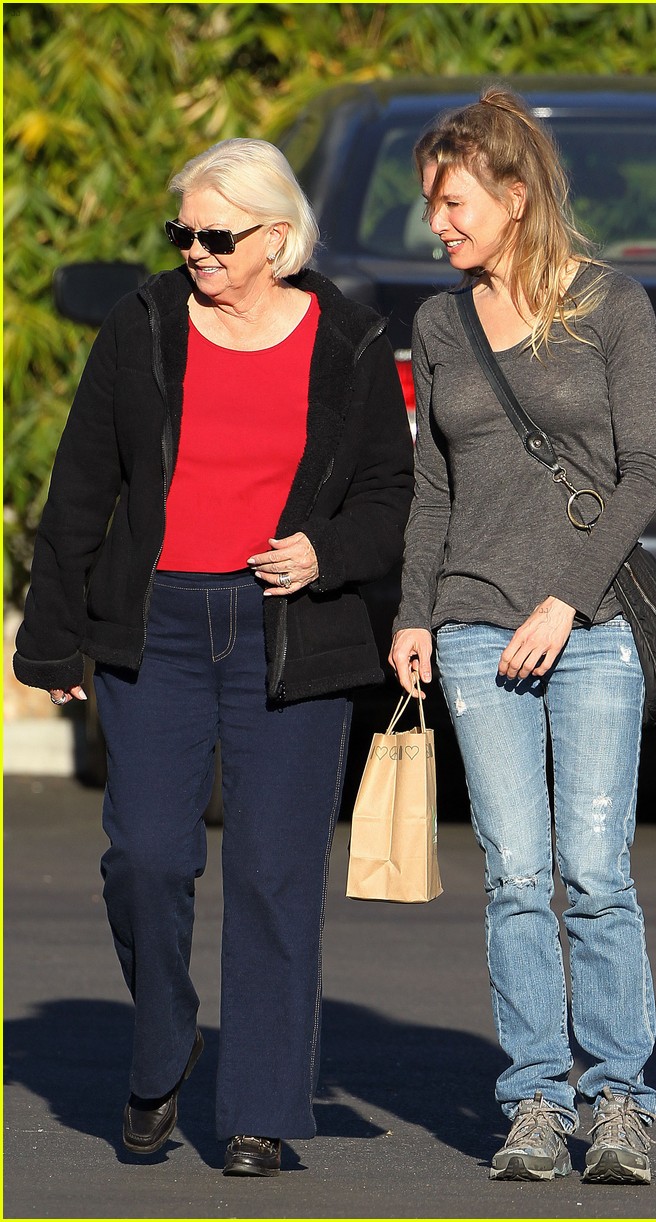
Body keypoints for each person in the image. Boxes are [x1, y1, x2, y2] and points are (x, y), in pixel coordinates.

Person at [13, 138, 414, 1176]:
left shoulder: (352, 340)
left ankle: (260, 1113)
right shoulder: (142, 326)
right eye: (180, 232)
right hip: (158, 630)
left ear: (277, 239)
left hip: (293, 627)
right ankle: (162, 1047)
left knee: (276, 876)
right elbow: (81, 485)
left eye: (216, 235)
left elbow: (390, 497)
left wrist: (328, 551)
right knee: (146, 858)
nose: (193, 250)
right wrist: (48, 633)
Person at [389, 87, 656, 1184]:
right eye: (431, 205)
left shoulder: (609, 304)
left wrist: (564, 596)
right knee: (515, 875)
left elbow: (645, 469)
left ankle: (617, 1099)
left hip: (589, 623)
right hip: (468, 622)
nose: (437, 224)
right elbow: (431, 483)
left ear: (514, 194)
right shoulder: (438, 321)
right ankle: (536, 1101)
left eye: (451, 201)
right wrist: (414, 609)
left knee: (595, 871)